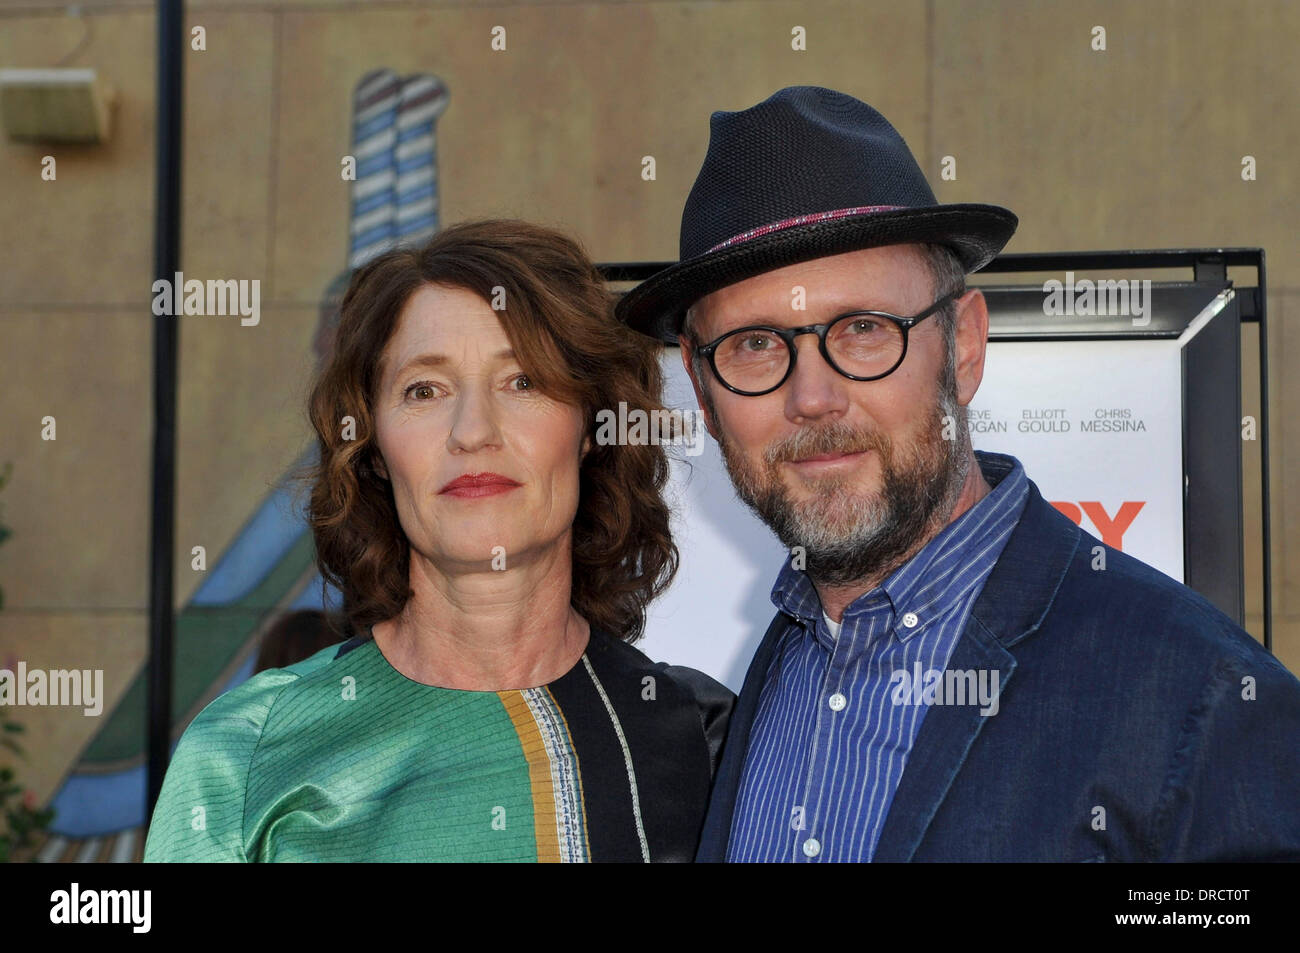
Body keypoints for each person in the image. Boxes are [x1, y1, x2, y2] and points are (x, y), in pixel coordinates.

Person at [615, 86, 1300, 862]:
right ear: (703, 399)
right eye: (755, 346)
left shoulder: (1200, 699)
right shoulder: (777, 673)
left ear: (965, 345)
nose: (811, 397)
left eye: (865, 329)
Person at [144, 219, 733, 862]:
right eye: (424, 390)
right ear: (371, 447)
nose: (473, 430)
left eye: (523, 382)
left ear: (591, 426)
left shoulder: (704, 739)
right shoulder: (242, 754)